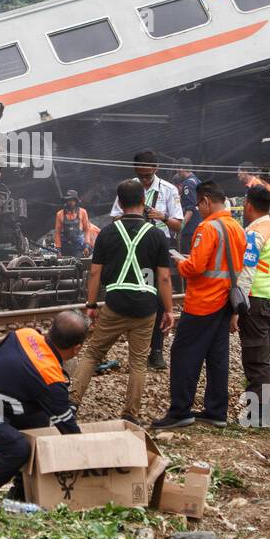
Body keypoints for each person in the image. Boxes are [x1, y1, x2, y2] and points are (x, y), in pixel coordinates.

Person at [0, 311, 89, 514]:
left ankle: (20, 489)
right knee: (18, 447)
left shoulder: (24, 334)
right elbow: (70, 432)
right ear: (77, 348)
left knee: (39, 418)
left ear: (51, 329)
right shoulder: (51, 379)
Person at [71, 179, 174, 424]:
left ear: (119, 202)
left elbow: (95, 273)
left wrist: (91, 304)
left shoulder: (107, 232)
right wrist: (168, 310)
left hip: (115, 302)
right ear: (144, 202)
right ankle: (131, 414)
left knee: (94, 353)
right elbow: (164, 278)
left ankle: (72, 402)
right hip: (146, 307)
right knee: (138, 361)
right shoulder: (157, 235)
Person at [152, 182, 246, 429]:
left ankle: (180, 410)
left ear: (205, 200)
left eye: (198, 204)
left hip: (203, 301)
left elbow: (196, 267)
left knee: (183, 354)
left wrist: (179, 262)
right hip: (225, 301)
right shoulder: (236, 227)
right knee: (217, 356)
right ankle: (217, 411)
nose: (199, 209)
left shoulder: (206, 228)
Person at [110, 151, 183, 370]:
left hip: (158, 247)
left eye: (147, 176)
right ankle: (136, 348)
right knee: (135, 294)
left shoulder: (169, 190)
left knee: (160, 299)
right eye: (139, 175)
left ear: (156, 169)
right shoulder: (128, 187)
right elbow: (114, 216)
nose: (143, 180)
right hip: (133, 248)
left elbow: (179, 225)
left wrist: (161, 217)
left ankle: (157, 351)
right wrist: (133, 215)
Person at [237, 185, 270, 426]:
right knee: (266, 358)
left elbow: (247, 271)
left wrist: (238, 306)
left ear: (248, 204)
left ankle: (256, 416)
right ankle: (268, 410)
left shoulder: (256, 233)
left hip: (255, 301)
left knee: (255, 359)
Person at [54, 190, 91, 258]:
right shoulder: (60, 214)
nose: (71, 202)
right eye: (69, 200)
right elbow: (57, 233)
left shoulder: (83, 212)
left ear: (76, 201)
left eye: (73, 200)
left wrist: (86, 245)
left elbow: (87, 230)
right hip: (65, 247)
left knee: (78, 265)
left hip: (78, 247)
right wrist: (58, 249)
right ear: (66, 201)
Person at [175, 159, 201, 254]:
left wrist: (180, 227)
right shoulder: (197, 181)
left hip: (190, 229)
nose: (177, 171)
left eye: (178, 168)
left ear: (182, 169)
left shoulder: (188, 184)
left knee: (186, 257)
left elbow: (190, 209)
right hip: (199, 225)